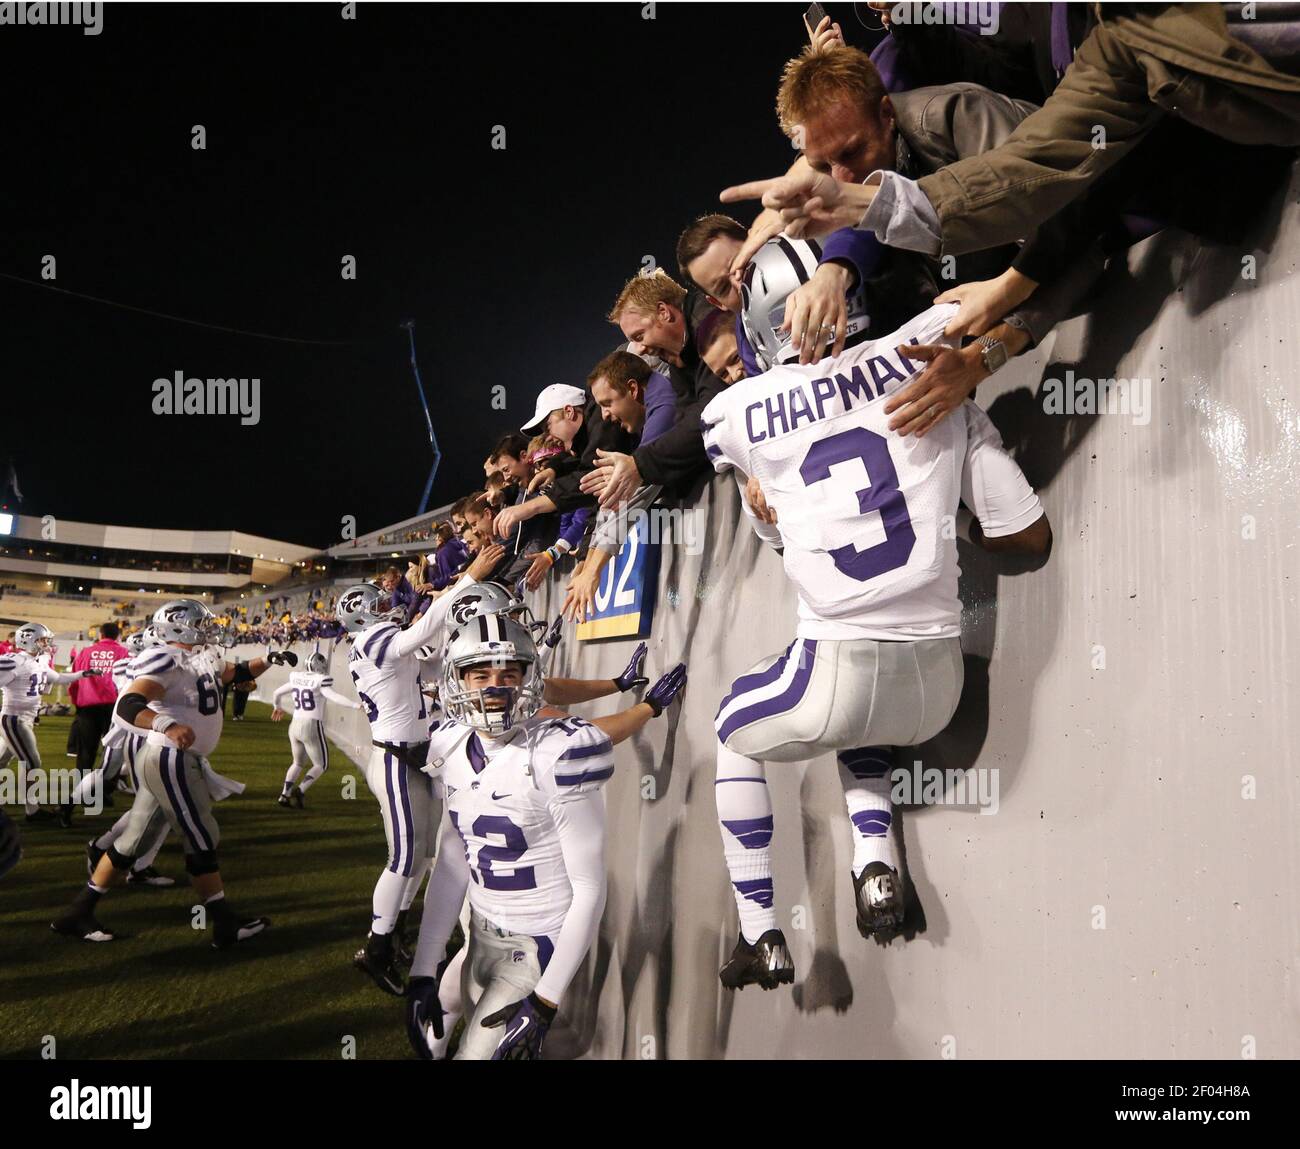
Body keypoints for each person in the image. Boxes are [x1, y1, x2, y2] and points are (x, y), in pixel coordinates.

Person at [701, 240, 1050, 989]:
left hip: (839, 674)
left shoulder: (735, 412)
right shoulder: (929, 351)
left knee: (735, 724)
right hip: (944, 681)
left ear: (764, 329)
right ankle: (876, 864)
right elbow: (1027, 533)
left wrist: (766, 500)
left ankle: (760, 932)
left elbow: (778, 528)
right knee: (856, 712)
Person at [407, 616, 611, 1060]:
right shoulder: (448, 745)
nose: (495, 687)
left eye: (508, 674)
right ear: (456, 680)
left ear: (527, 680)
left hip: (536, 943)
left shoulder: (558, 753)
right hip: (479, 931)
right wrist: (424, 967)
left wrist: (546, 998)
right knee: (443, 1028)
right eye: (480, 674)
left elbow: (591, 888)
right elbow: (453, 860)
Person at [50, 600, 283, 945]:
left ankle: (77, 913)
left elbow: (234, 675)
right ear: (179, 627)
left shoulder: (200, 656)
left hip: (178, 760)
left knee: (133, 840)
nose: (209, 628)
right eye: (201, 624)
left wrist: (268, 660)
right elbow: (128, 705)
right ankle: (223, 923)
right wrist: (166, 723)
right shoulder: (164, 657)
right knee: (201, 835)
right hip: (169, 758)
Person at [0, 623, 101, 823]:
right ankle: (32, 810)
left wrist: (83, 674)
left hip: (24, 719)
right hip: (14, 718)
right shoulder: (15, 660)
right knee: (32, 762)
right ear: (28, 639)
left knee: (3, 761)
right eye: (42, 640)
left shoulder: (37, 662)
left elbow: (60, 678)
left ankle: (30, 808)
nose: (46, 643)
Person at [270, 650, 363, 809]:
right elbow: (334, 697)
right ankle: (301, 790)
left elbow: (277, 693)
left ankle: (284, 795)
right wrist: (356, 705)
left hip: (295, 724)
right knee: (321, 765)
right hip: (311, 725)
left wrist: (277, 707)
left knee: (297, 762)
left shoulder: (297, 677)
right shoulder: (320, 680)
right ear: (320, 665)